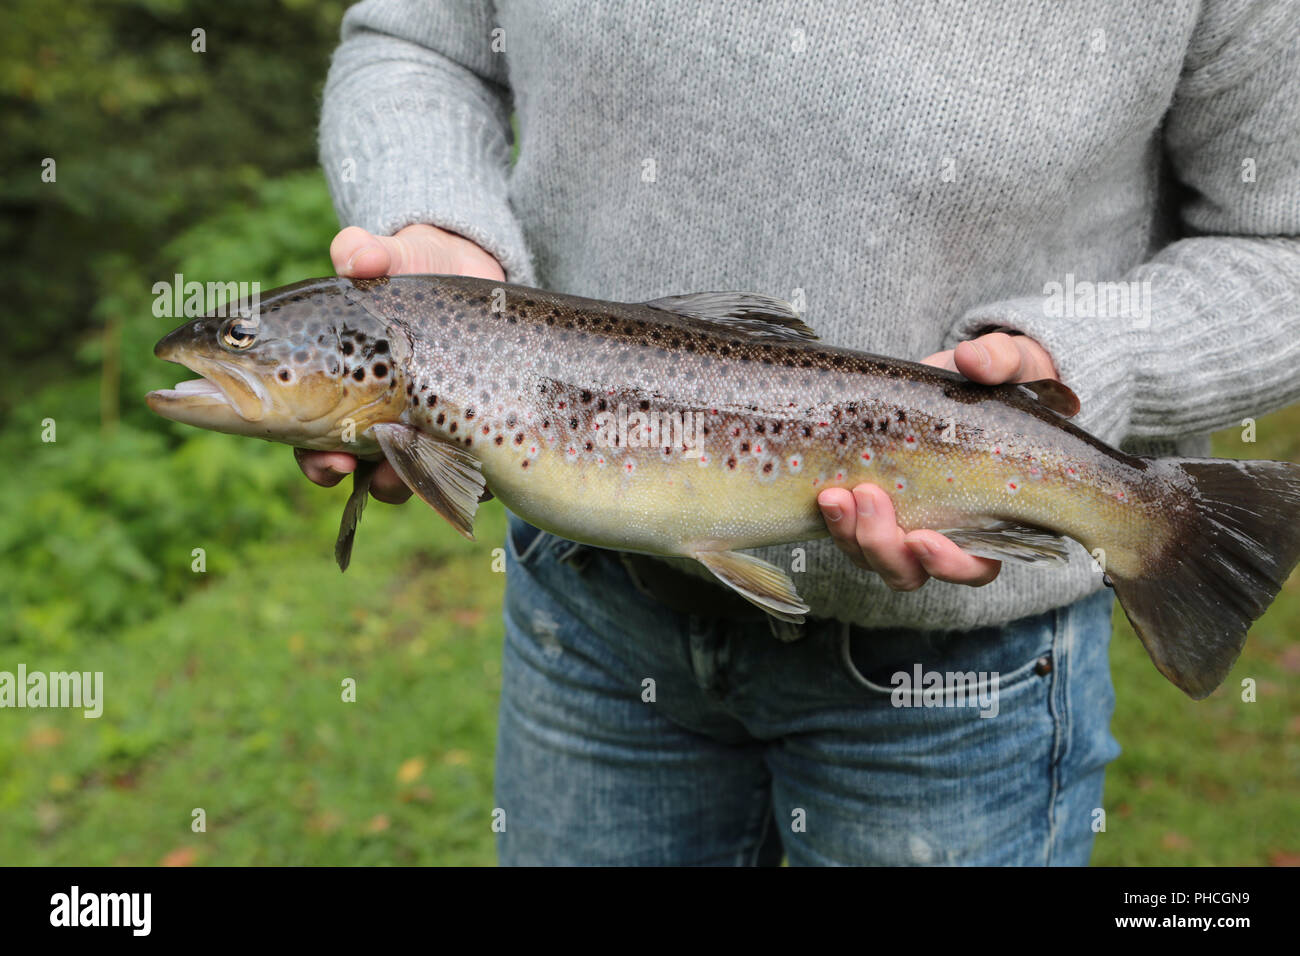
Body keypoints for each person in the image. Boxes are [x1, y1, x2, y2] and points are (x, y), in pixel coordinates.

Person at [299, 1, 1300, 864]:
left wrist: (1076, 357)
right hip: (587, 620)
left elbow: (1280, 247)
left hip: (951, 695)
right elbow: (415, 42)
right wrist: (438, 234)